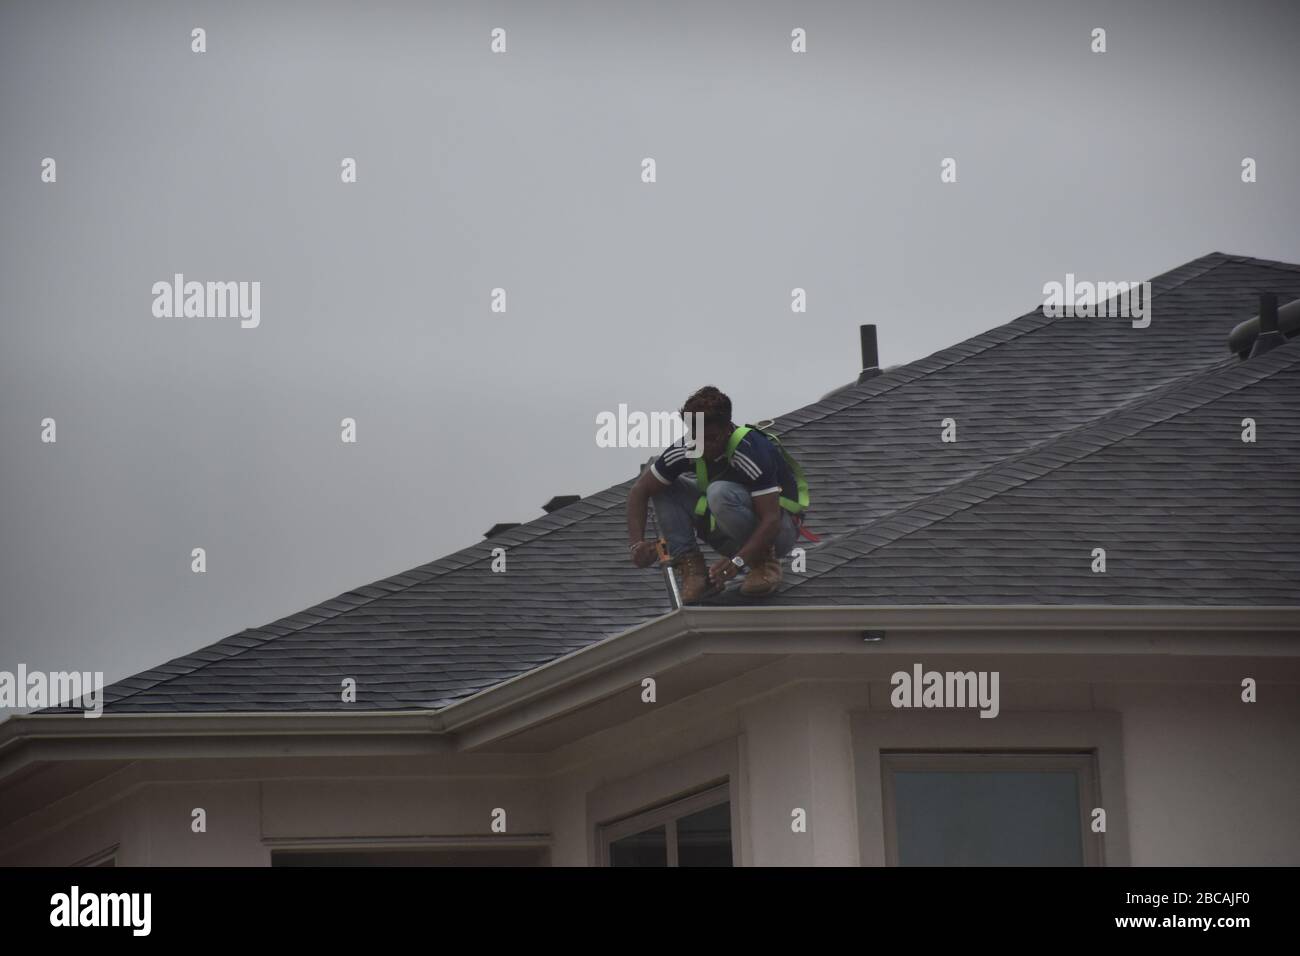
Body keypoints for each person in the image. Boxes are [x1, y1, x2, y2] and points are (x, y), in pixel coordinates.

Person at [626, 386, 805, 603]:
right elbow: (639, 491)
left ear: (728, 429)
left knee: (719, 492)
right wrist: (637, 545)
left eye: (711, 438)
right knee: (662, 484)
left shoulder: (751, 450)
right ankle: (693, 571)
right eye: (697, 437)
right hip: (731, 530)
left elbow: (771, 519)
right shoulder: (688, 448)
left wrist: (738, 562)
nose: (703, 446)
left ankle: (764, 563)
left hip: (778, 533)